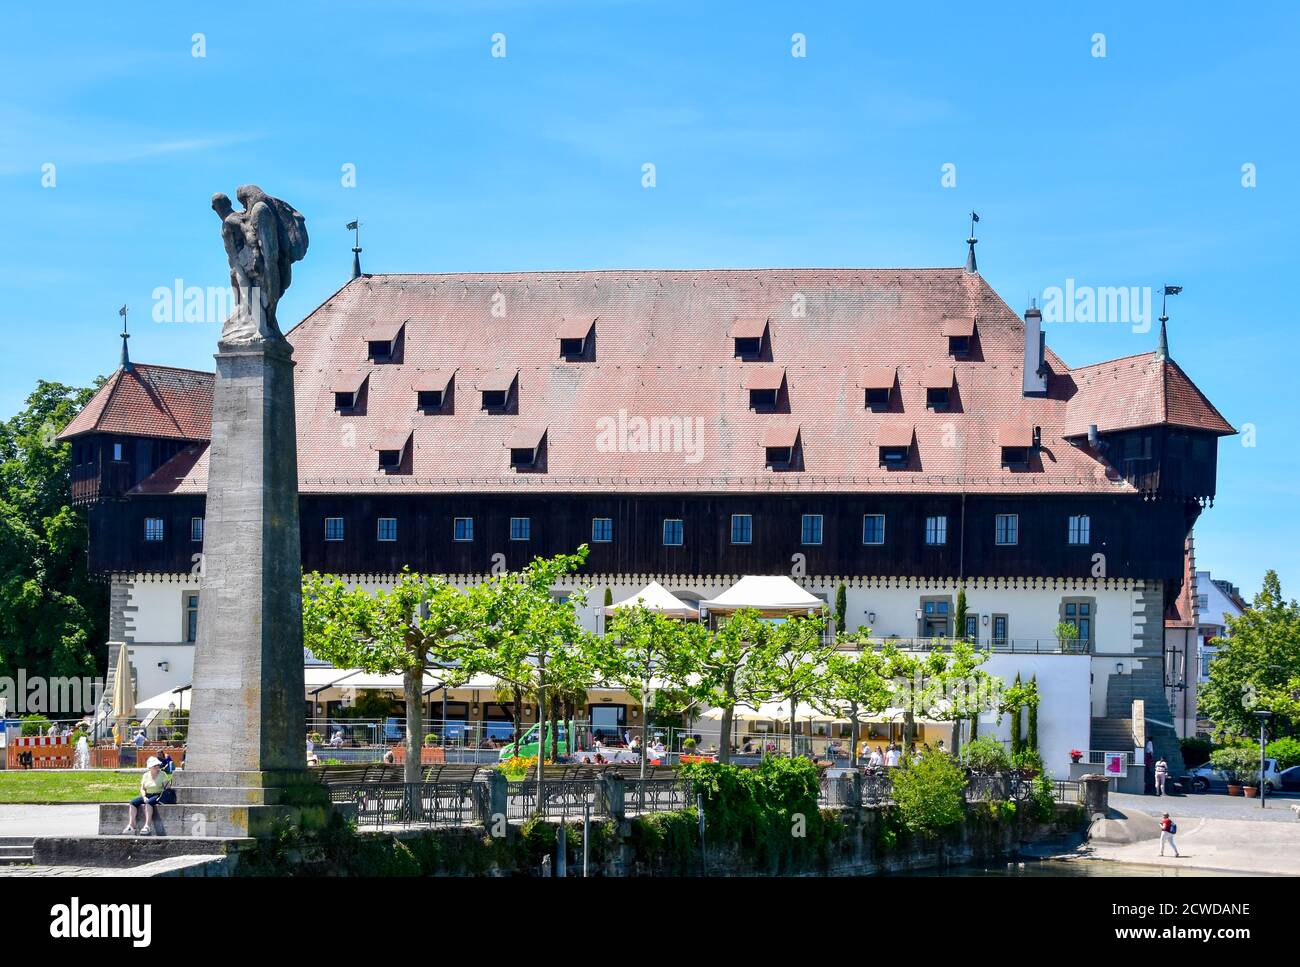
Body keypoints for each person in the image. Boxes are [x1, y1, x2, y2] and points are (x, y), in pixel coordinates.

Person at [124, 757, 170, 835]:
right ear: (150, 767)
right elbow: (142, 788)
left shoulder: (162, 774)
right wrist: (144, 796)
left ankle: (147, 825)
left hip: (158, 795)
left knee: (148, 803)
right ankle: (131, 825)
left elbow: (167, 788)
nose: (157, 767)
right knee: (133, 802)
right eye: (154, 766)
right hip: (147, 794)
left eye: (158, 765)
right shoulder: (145, 775)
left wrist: (167, 786)